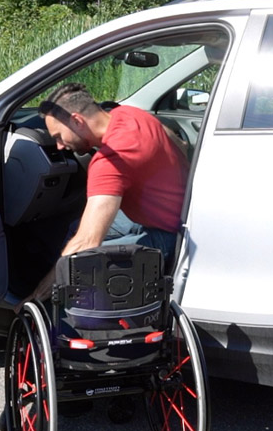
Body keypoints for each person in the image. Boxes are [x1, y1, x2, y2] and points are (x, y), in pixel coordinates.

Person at [27, 81, 189, 302]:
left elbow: (86, 243)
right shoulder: (130, 114)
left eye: (58, 137)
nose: (59, 147)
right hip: (180, 213)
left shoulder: (110, 162)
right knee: (74, 229)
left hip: (172, 236)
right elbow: (177, 141)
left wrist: (35, 299)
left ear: (77, 121)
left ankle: (67, 306)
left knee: (82, 263)